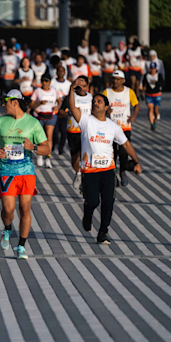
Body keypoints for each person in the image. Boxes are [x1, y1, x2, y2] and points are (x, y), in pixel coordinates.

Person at [68, 86, 142, 245]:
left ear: (106, 107)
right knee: (93, 201)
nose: (95, 103)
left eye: (99, 102)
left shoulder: (113, 126)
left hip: (108, 171)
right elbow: (73, 107)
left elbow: (127, 145)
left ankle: (103, 232)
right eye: (94, 101)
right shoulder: (86, 121)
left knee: (108, 202)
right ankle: (88, 213)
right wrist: (71, 89)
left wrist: (137, 162)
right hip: (90, 171)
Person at [0, 91, 50, 259]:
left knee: (25, 208)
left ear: (15, 102)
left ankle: (21, 246)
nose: (3, 105)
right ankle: (7, 228)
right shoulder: (1, 122)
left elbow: (47, 149)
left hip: (26, 172)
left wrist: (33, 148)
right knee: (8, 210)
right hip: (6, 172)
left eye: (6, 102)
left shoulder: (33, 123)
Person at [103, 70, 139, 186]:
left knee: (123, 152)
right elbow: (100, 105)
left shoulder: (129, 92)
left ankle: (122, 171)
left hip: (125, 126)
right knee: (112, 153)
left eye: (118, 79)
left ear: (123, 81)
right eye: (113, 78)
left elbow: (136, 104)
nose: (115, 81)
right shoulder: (107, 92)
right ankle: (113, 175)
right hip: (111, 127)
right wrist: (106, 110)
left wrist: (133, 116)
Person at [66, 76, 92, 191]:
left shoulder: (91, 97)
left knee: (85, 156)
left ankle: (85, 177)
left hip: (86, 131)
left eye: (83, 85)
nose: (81, 87)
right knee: (74, 157)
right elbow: (62, 111)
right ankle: (78, 173)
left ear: (87, 86)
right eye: (79, 85)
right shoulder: (71, 96)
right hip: (73, 131)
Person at [30, 73, 62, 168]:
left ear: (50, 82)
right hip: (39, 116)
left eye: (47, 81)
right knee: (40, 137)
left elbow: (59, 100)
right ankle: (40, 154)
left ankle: (48, 157)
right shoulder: (37, 91)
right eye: (43, 81)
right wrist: (39, 103)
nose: (45, 83)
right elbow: (31, 104)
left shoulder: (54, 91)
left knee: (49, 137)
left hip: (50, 116)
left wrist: (57, 106)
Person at [143, 62, 163, 131]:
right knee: (150, 109)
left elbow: (162, 84)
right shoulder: (146, 75)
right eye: (151, 68)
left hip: (157, 94)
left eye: (153, 68)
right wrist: (143, 89)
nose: (152, 70)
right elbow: (143, 84)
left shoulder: (159, 75)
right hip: (149, 94)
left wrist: (156, 82)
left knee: (156, 110)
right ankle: (151, 124)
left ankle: (155, 121)